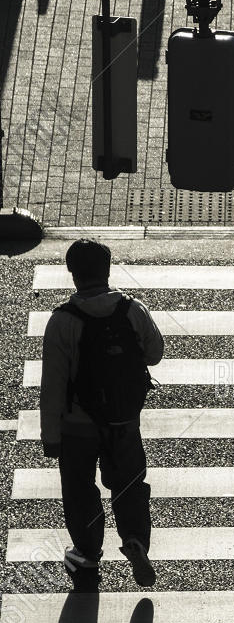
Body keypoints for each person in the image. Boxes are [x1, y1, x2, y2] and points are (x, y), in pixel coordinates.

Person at [40, 239, 164, 591]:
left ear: (72, 273)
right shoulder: (131, 309)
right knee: (128, 484)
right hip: (124, 422)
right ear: (108, 270)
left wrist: (50, 436)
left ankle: (88, 554)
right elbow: (154, 355)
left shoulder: (63, 321)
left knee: (80, 490)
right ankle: (136, 540)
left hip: (78, 426)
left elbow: (53, 385)